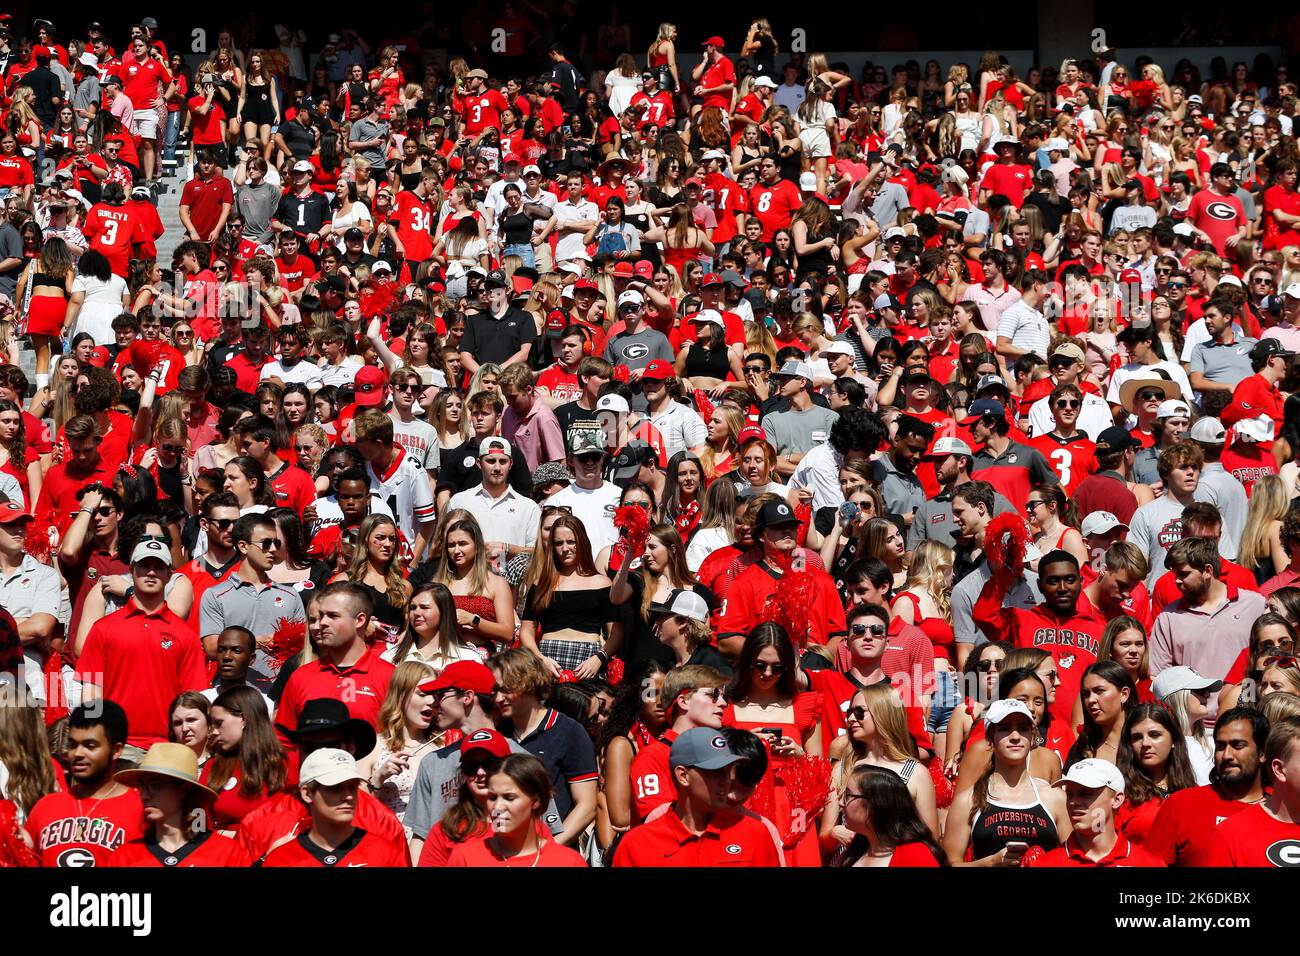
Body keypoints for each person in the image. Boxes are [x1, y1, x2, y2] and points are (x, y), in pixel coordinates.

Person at [75, 540, 209, 750]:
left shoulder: (186, 635)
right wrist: (96, 737)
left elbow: (193, 698)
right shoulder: (103, 628)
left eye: (159, 567)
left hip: (166, 747)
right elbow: (92, 689)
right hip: (117, 745)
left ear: (169, 575)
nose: (151, 573)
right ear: (132, 571)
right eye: (144, 565)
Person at [612, 726, 782, 866]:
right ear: (683, 776)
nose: (726, 781)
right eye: (714, 772)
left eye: (727, 771)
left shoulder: (756, 834)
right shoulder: (638, 843)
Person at [1150, 536, 1267, 720]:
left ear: (1207, 570)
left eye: (1184, 574)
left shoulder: (1255, 605)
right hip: (1192, 726)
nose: (1177, 581)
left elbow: (1266, 663)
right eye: (1175, 575)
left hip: (1244, 722)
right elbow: (1159, 678)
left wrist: (1249, 704)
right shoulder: (1168, 617)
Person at [943, 699, 1070, 866]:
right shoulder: (968, 800)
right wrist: (992, 862)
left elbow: (1072, 859)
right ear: (990, 738)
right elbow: (950, 863)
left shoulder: (1056, 798)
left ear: (1032, 737)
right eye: (1004, 729)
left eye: (1023, 729)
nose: (1015, 737)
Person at [492, 648, 597, 845]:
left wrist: (550, 849)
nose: (498, 698)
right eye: (494, 691)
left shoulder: (569, 730)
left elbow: (587, 805)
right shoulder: (496, 731)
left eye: (505, 689)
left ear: (528, 684)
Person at [1144, 706, 1270, 866]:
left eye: (1238, 745)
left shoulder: (1283, 810)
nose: (1227, 755)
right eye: (1220, 746)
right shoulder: (1182, 804)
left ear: (1262, 753)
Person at [24, 702, 145, 867]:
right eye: (73, 745)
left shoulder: (141, 809)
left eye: (90, 746)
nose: (78, 754)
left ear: (116, 750)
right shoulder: (45, 807)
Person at [199, 513, 307, 689]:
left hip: (280, 693)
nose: (273, 549)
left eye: (276, 543)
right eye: (266, 543)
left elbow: (303, 648)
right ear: (243, 546)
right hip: (232, 693)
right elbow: (212, 649)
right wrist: (255, 642)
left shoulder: (290, 596)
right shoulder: (215, 595)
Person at [275, 582, 396, 737]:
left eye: (332, 616)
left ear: (359, 620)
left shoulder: (390, 677)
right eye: (321, 615)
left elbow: (399, 739)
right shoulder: (300, 677)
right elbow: (283, 740)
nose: (322, 623)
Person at [261, 748, 410, 867]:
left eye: (352, 787)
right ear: (307, 793)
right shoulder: (280, 860)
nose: (349, 796)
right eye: (335, 788)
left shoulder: (386, 854)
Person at [108, 742, 250, 867]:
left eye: (155, 785)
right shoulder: (124, 857)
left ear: (184, 789)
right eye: (142, 787)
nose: (145, 795)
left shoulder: (226, 852)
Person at [446, 753, 587, 867]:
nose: (498, 807)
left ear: (536, 801)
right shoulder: (465, 857)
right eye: (493, 797)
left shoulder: (569, 862)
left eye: (509, 798)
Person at [1029, 758, 1166, 866]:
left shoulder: (1149, 864)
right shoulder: (1045, 864)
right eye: (1070, 793)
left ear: (1117, 799)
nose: (1073, 802)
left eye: (1085, 793)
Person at [201, 685, 286, 830]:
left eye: (219, 723)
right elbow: (199, 824)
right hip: (218, 850)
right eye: (212, 725)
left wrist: (238, 836)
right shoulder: (213, 766)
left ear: (243, 719)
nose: (213, 732)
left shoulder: (282, 765)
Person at [445, 437, 540, 562]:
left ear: (511, 464)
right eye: (490, 461)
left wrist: (507, 549)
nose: (497, 467)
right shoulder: (459, 502)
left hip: (514, 580)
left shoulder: (528, 507)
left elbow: (538, 553)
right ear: (479, 463)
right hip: (470, 579)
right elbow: (445, 545)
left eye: (503, 461)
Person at [1115, 703, 1198, 845]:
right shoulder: (1119, 794)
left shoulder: (1194, 792)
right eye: (1136, 737)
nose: (1145, 743)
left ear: (1174, 740)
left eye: (1154, 735)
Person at [835, 764, 948, 867]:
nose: (840, 802)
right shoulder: (858, 849)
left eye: (848, 796)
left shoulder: (915, 854)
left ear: (875, 804)